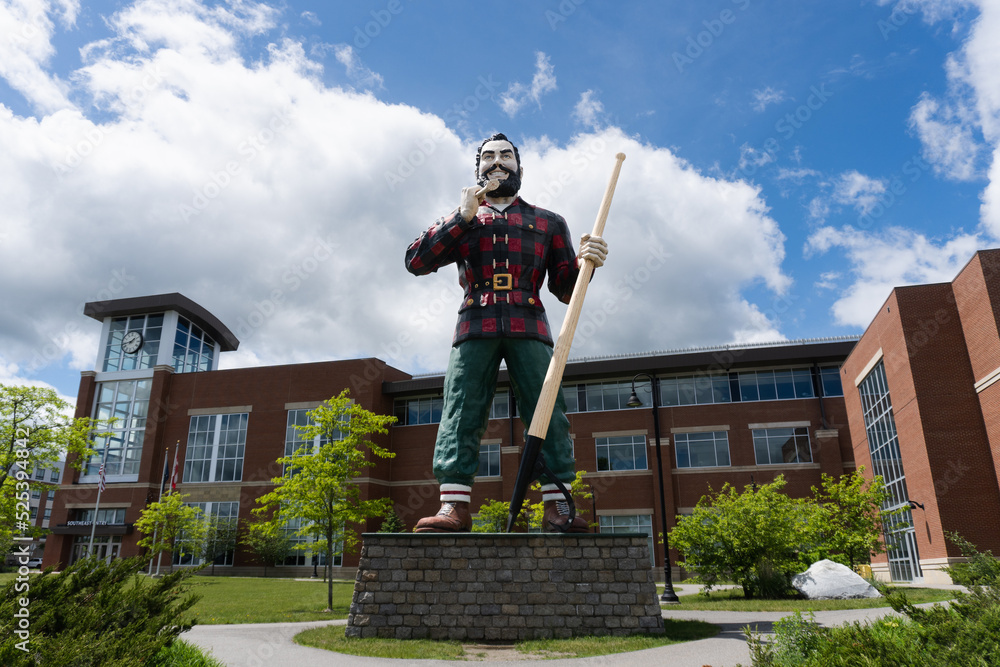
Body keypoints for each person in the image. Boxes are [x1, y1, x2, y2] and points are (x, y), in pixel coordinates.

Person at [404, 132, 608, 533]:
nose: (497, 162)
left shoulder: (548, 221)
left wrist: (589, 264)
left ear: (518, 166)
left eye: (506, 156)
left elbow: (566, 291)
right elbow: (416, 260)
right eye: (488, 157)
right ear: (478, 168)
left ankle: (559, 506)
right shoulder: (462, 218)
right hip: (473, 324)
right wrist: (459, 219)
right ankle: (453, 506)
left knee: (547, 408)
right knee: (460, 409)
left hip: (529, 322)